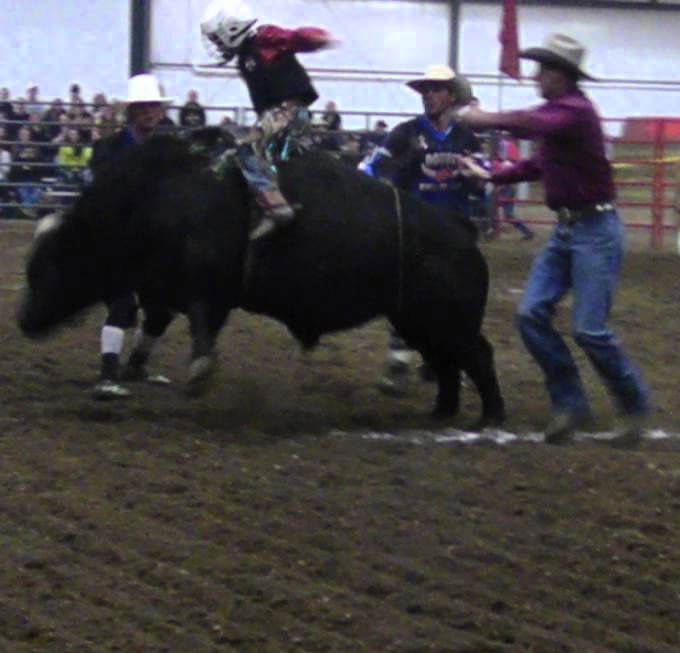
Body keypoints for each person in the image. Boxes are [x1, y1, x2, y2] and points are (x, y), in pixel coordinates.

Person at [455, 34, 651, 446]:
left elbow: (530, 125)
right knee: (531, 316)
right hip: (571, 231)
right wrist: (491, 175)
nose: (536, 77)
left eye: (542, 70)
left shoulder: (574, 113)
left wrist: (482, 118)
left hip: (594, 232)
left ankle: (632, 406)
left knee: (589, 330)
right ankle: (571, 404)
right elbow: (537, 163)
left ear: (561, 75)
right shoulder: (563, 118)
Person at [358, 64, 483, 395]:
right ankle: (400, 359)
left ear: (451, 95)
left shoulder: (467, 137)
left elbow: (481, 186)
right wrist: (396, 172)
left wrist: (474, 177)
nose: (429, 95)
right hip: (417, 229)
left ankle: (438, 357)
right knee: (406, 294)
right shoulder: (405, 133)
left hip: (455, 227)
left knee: (455, 298)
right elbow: (372, 168)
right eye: (425, 90)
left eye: (436, 89)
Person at [200, 0, 336, 241]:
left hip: (287, 112)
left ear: (231, 29)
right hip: (277, 114)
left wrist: (316, 38)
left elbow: (295, 37)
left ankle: (276, 208)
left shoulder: (264, 38)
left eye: (217, 38)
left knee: (246, 149)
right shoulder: (245, 56)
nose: (217, 45)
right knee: (239, 156)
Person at [83, 73, 175, 399]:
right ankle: (107, 374)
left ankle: (135, 365)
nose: (151, 112)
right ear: (132, 112)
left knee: (161, 308)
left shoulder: (166, 151)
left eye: (154, 107)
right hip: (113, 240)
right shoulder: (107, 149)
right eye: (144, 107)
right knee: (122, 304)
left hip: (150, 243)